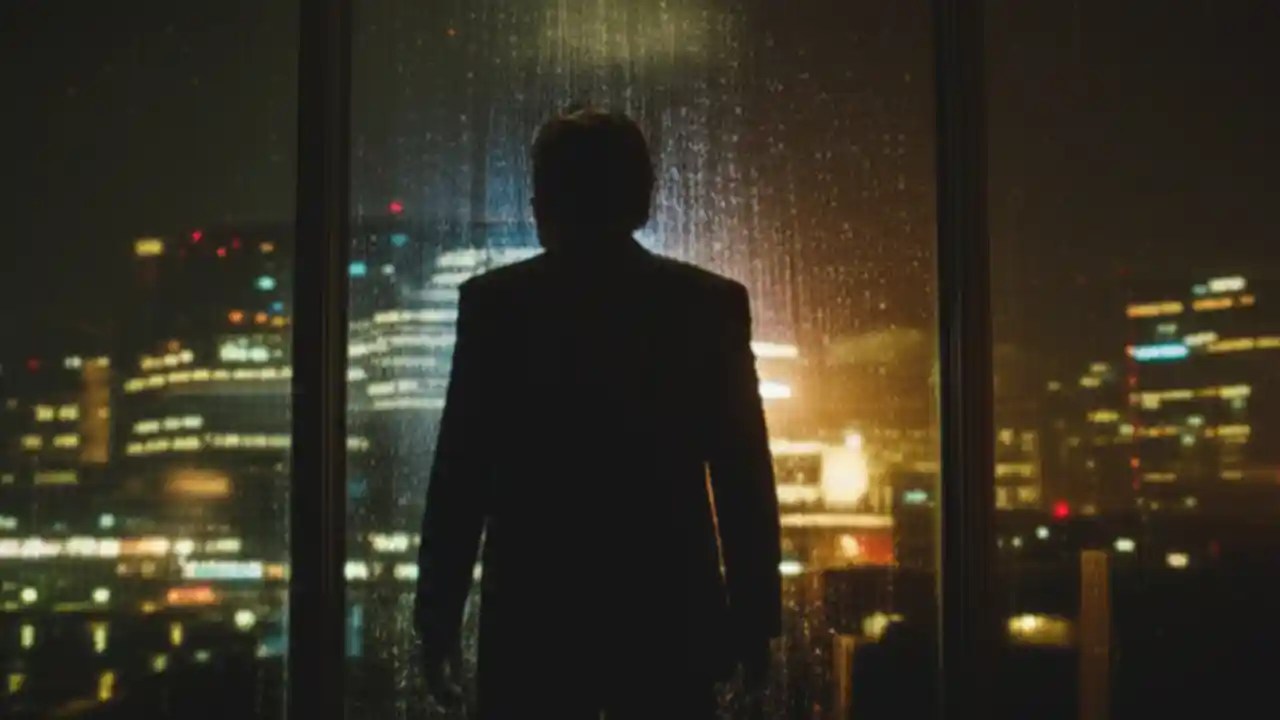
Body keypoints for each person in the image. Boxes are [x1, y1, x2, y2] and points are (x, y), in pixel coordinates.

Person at [415, 108, 782, 719]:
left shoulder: (495, 307)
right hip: (667, 613)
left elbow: (460, 476)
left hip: (534, 616)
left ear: (542, 202)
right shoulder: (707, 305)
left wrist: (438, 621)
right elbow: (743, 477)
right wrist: (754, 622)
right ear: (642, 199)